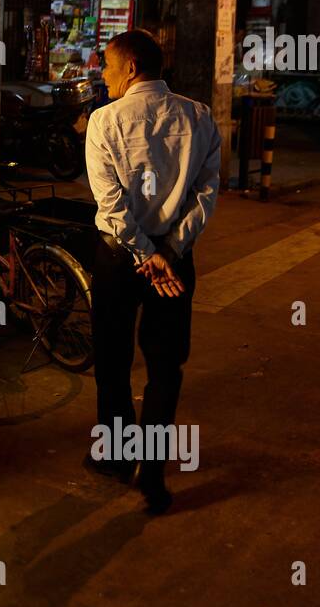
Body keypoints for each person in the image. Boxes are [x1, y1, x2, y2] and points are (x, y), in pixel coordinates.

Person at [83, 29, 221, 514]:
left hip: (120, 259)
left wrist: (144, 253)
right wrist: (169, 248)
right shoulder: (199, 116)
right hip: (173, 260)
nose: (104, 75)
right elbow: (206, 194)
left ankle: (118, 457)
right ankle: (153, 471)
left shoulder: (104, 121)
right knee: (166, 364)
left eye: (107, 66)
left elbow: (112, 203)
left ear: (132, 67)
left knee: (114, 360)